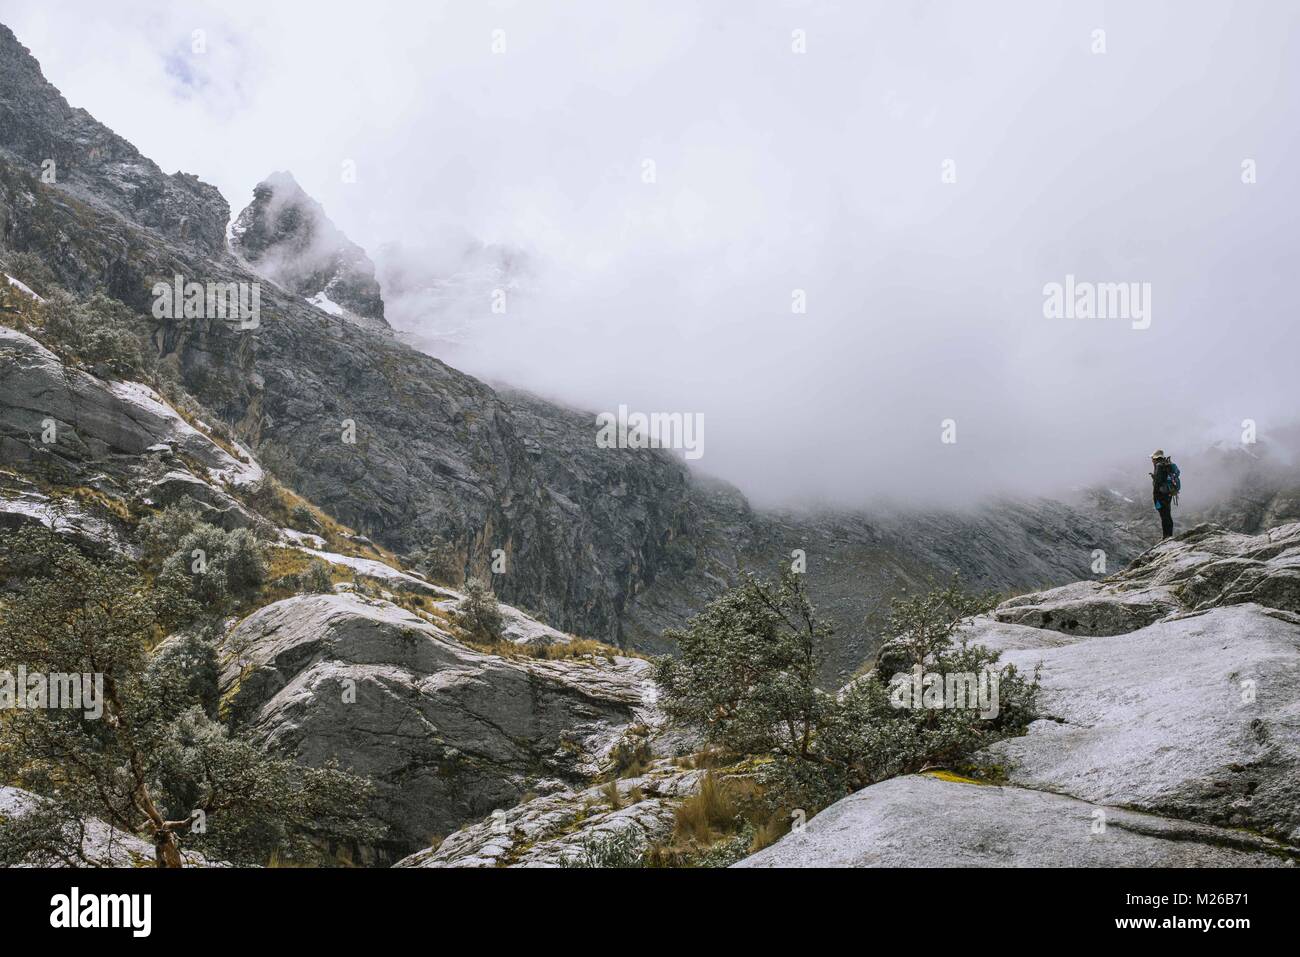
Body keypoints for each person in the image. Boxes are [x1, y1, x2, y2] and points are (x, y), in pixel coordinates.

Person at [1150, 449, 1179, 539]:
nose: (1152, 460)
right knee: (1167, 514)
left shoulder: (1159, 466)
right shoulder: (1166, 464)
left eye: (1152, 458)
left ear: (1155, 458)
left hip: (1161, 494)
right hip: (1168, 493)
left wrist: (1155, 496)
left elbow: (1158, 482)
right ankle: (1169, 535)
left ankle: (1166, 536)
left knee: (1164, 515)